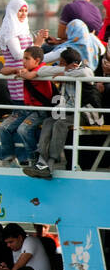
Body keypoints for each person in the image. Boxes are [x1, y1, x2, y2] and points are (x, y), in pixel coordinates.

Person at [25, 47, 92, 179]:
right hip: (67, 111)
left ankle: (50, 163)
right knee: (49, 121)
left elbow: (85, 73)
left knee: (60, 124)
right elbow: (43, 70)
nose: (59, 65)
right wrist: (64, 70)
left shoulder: (85, 70)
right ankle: (41, 162)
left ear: (72, 64)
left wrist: (66, 74)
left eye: (62, 63)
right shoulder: (67, 70)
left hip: (85, 113)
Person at [0, 0, 35, 104]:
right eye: (20, 11)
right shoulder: (10, 31)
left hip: (27, 74)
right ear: (13, 11)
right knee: (21, 110)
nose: (23, 14)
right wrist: (37, 45)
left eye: (26, 11)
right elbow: (17, 55)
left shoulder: (23, 29)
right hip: (17, 76)